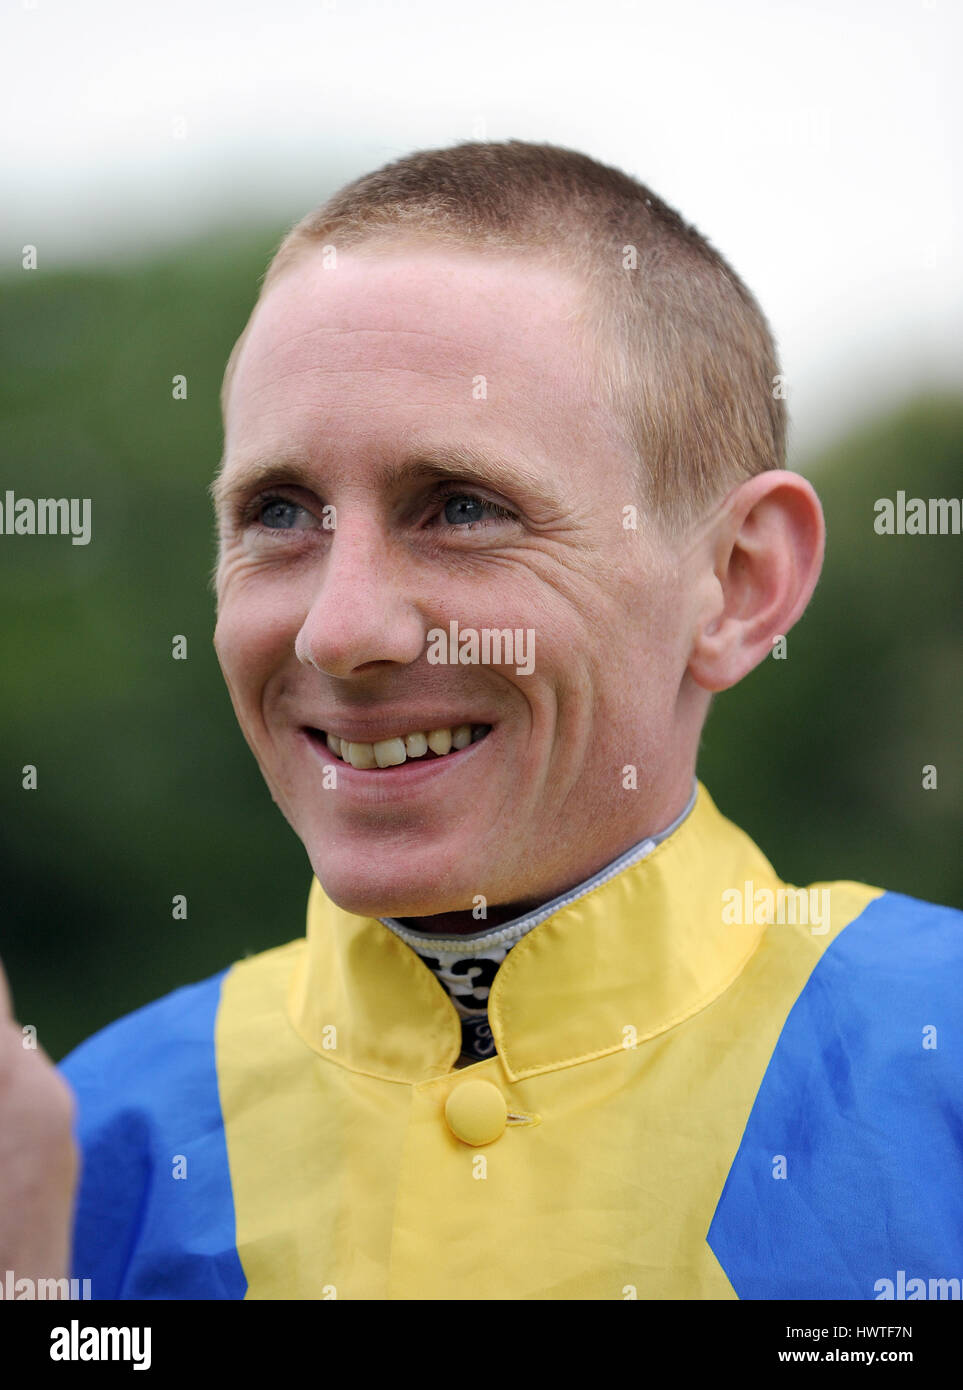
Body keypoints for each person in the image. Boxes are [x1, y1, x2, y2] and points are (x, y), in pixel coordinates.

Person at [57, 141, 962, 1300]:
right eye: (280, 512)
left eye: (463, 508)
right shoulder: (89, 1156)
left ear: (739, 584)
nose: (342, 630)